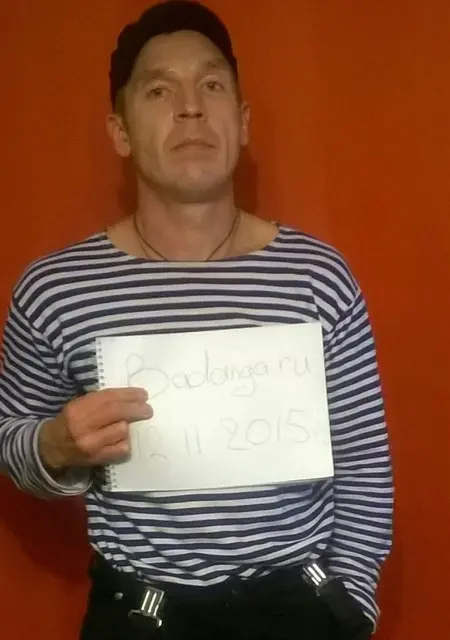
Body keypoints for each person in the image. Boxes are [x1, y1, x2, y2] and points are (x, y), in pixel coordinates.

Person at [0, 1, 393, 638]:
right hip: (139, 611)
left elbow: (364, 464)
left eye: (211, 85)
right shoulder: (55, 289)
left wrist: (352, 610)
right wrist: (53, 446)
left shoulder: (317, 275)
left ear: (242, 122)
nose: (190, 107)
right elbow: (11, 439)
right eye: (159, 90)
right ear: (121, 132)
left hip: (298, 608)